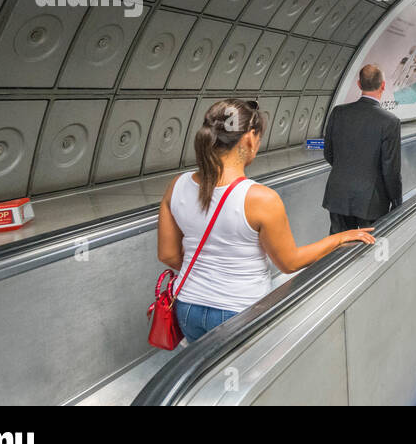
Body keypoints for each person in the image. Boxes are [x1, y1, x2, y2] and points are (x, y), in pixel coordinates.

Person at [158, 99, 375, 341]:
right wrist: (340, 238)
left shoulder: (177, 186)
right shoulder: (261, 198)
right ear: (250, 138)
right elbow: (289, 262)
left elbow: (168, 255)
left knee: (202, 376)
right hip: (239, 311)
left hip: (187, 307)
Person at [322, 64, 403, 234]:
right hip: (372, 199)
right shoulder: (390, 121)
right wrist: (396, 200)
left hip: (338, 195)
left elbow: (328, 153)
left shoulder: (338, 113)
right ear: (383, 86)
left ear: (359, 85)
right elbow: (390, 168)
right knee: (372, 251)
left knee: (338, 249)